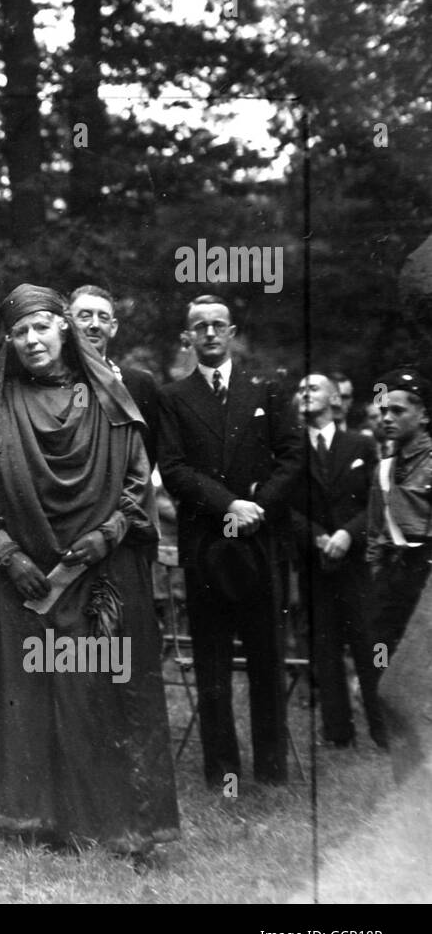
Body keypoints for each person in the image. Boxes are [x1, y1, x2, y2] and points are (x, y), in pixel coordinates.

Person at [0, 284, 178, 856]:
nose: (33, 340)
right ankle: (40, 817)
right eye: (21, 332)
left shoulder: (108, 396)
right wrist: (7, 552)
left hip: (98, 573)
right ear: (9, 341)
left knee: (100, 693)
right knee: (32, 693)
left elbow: (137, 481)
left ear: (64, 329)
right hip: (25, 578)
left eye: (42, 327)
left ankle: (118, 823)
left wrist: (107, 536)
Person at [157, 295, 303, 788]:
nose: (211, 334)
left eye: (219, 325)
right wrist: (228, 505)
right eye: (200, 327)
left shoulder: (267, 390)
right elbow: (174, 469)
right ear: (188, 336)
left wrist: (259, 505)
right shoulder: (173, 397)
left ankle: (271, 768)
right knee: (212, 661)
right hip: (207, 544)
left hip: (261, 542)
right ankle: (223, 770)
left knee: (267, 657)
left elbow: (293, 457)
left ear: (233, 331)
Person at [288, 374, 381, 748]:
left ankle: (382, 728)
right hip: (315, 564)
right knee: (323, 647)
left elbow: (377, 499)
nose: (304, 394)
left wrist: (347, 534)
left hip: (355, 563)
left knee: (367, 643)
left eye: (312, 388)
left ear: (333, 399)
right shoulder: (291, 451)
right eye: (300, 390)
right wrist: (317, 538)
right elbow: (286, 507)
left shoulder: (360, 444)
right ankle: (338, 732)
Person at [365, 369, 432, 749]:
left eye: (397, 410)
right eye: (383, 411)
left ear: (422, 415)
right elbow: (376, 531)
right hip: (393, 578)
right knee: (381, 659)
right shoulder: (384, 468)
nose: (387, 418)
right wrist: (378, 575)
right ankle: (401, 745)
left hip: (428, 575)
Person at [69, 284, 162, 464]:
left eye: (103, 318)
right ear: (68, 323)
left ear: (113, 327)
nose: (94, 325)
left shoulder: (140, 384)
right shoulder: (51, 379)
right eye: (85, 316)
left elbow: (146, 454)